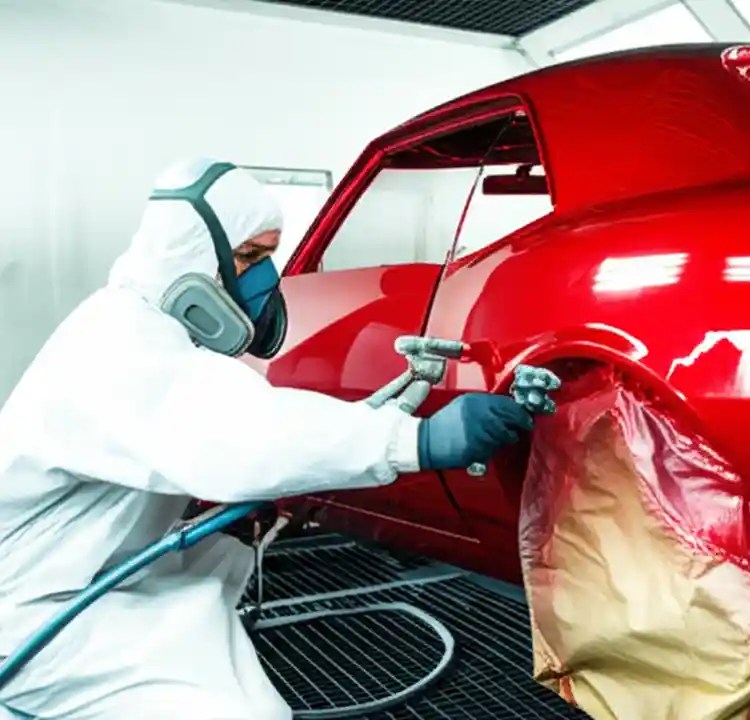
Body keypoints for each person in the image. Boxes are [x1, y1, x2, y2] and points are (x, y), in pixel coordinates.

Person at [0, 158, 540, 719]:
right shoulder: (119, 344)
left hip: (100, 581)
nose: (263, 281)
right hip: (44, 616)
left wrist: (384, 427)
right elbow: (241, 436)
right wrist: (416, 440)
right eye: (250, 258)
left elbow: (246, 424)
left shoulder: (142, 328)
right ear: (192, 258)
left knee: (215, 638)